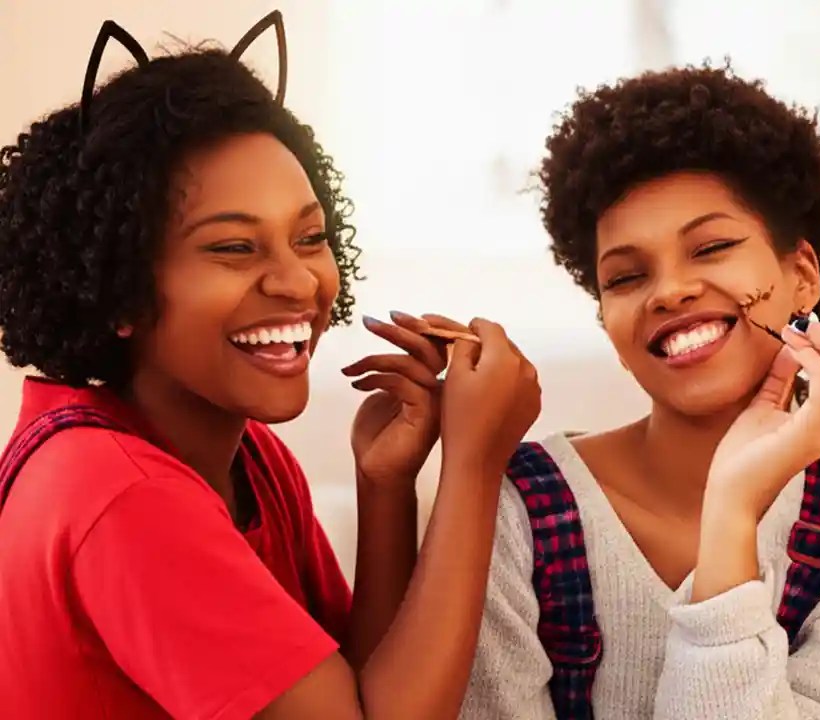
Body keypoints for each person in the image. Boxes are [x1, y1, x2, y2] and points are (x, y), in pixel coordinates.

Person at [0, 14, 540, 720]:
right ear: (116, 288)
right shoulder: (123, 497)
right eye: (233, 249)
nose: (300, 283)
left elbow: (362, 690)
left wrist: (385, 486)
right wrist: (473, 464)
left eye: (310, 237)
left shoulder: (248, 458)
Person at [458, 64, 820, 720]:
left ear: (802, 276)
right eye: (626, 277)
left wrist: (731, 514)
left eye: (711, 247)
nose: (669, 291)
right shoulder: (517, 511)